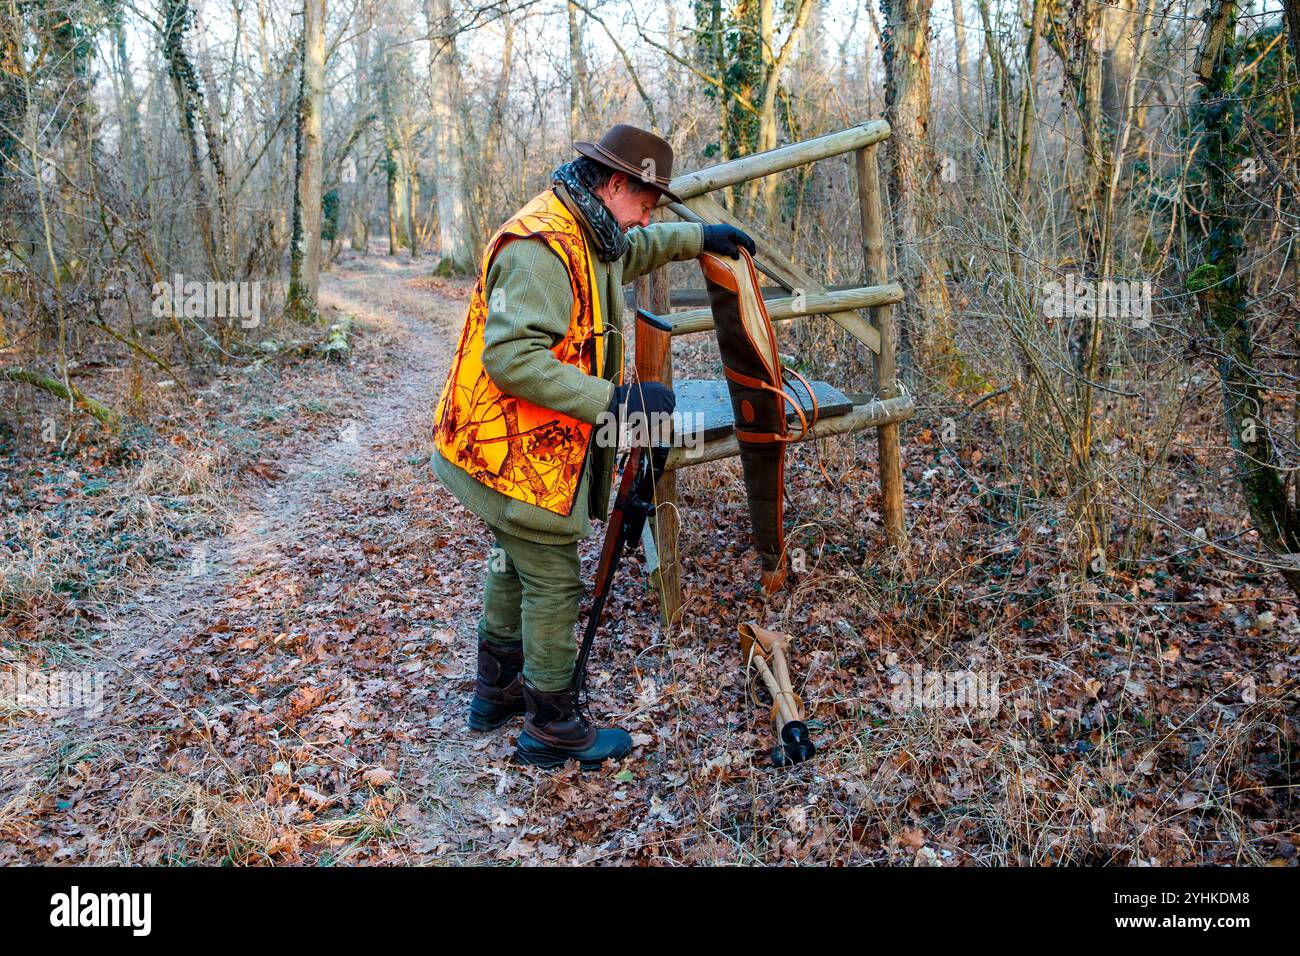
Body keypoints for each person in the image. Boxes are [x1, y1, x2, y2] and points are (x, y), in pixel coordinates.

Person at [432, 123, 755, 769]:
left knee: (513, 560)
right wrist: (616, 404)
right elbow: (512, 359)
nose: (647, 217)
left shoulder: (587, 229)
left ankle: (496, 693)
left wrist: (698, 239)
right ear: (614, 184)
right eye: (645, 203)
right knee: (552, 575)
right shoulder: (542, 249)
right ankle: (551, 725)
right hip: (512, 448)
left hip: (508, 445)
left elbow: (627, 255)